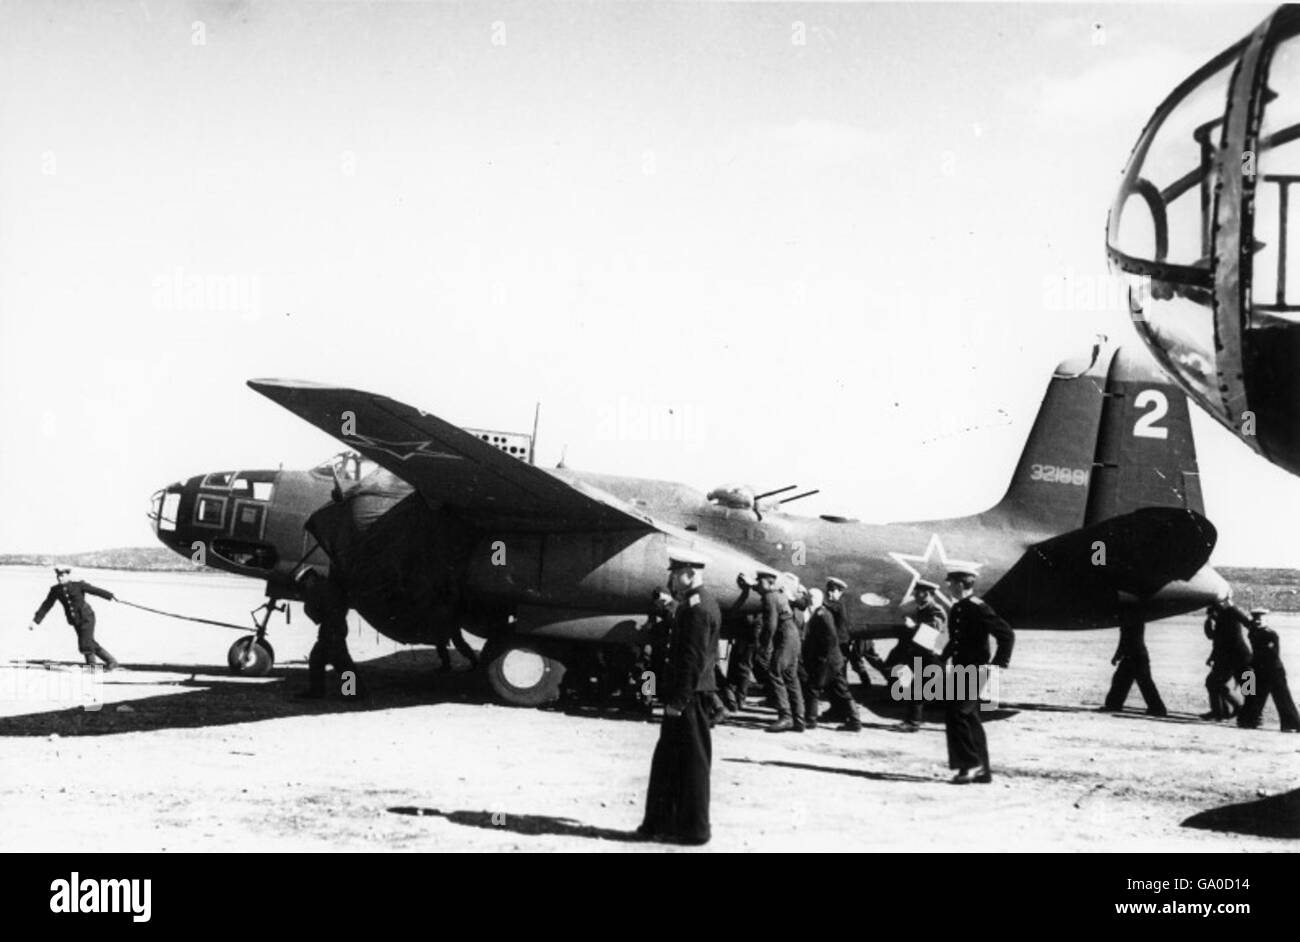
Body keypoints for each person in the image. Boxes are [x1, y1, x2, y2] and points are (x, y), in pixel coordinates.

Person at [638, 551, 722, 845]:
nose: (670, 578)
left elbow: (692, 659)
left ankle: (695, 830)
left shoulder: (698, 608)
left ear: (689, 573)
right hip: (688, 694)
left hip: (690, 696)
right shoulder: (694, 603)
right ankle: (663, 823)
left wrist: (678, 700)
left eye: (675, 573)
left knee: (692, 764)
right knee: (671, 761)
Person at [941, 569, 1014, 784]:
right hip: (960, 669)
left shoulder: (978, 607)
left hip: (975, 669)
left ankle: (969, 765)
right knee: (969, 718)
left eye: (951, 583)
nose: (948, 587)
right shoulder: (957, 608)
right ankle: (983, 770)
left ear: (961, 584)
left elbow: (1006, 634)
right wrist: (942, 657)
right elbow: (954, 640)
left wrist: (998, 664)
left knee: (957, 715)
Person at [29, 566, 121, 669]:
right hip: (75, 620)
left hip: (87, 617)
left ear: (68, 575)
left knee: (85, 643)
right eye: (58, 575)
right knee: (89, 641)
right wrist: (36, 621)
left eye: (62, 575)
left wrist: (110, 596)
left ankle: (92, 667)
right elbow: (46, 605)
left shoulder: (78, 585)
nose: (59, 578)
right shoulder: (55, 590)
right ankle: (112, 662)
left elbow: (95, 590)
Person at [886, 580, 947, 731]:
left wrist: (913, 626)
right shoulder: (922, 609)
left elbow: (933, 632)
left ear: (926, 594)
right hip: (924, 655)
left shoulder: (935, 610)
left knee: (918, 689)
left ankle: (912, 723)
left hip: (932, 657)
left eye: (917, 592)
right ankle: (913, 721)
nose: (914, 594)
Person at [750, 569, 805, 732]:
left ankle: (785, 716)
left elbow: (771, 625)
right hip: (793, 634)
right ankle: (799, 718)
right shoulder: (778, 593)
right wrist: (751, 585)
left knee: (774, 671)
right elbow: (762, 589)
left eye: (760, 581)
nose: (758, 583)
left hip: (784, 635)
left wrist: (764, 645)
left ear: (769, 583)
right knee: (790, 676)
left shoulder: (769, 597)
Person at [294, 566, 360, 699]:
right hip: (336, 626)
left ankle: (351, 693)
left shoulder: (318, 590)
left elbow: (315, 615)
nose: (305, 585)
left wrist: (306, 598)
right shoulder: (327, 586)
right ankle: (348, 692)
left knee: (338, 661)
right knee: (324, 660)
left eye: (305, 582)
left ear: (311, 578)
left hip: (331, 629)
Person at [800, 587, 861, 731]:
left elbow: (831, 638)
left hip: (827, 660)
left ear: (818, 600)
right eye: (809, 597)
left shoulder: (821, 614)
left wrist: (822, 659)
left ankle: (810, 720)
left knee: (813, 688)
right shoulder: (819, 613)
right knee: (841, 690)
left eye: (812, 598)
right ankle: (855, 721)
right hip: (833, 660)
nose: (809, 600)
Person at [1237, 609, 1300, 732]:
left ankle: (1292, 724)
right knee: (1255, 695)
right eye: (1255, 619)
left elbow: (1271, 655)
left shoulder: (1270, 634)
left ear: (1266, 621)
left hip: (1273, 670)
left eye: (1260, 619)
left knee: (1282, 698)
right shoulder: (1253, 633)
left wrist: (1255, 666)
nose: (1257, 621)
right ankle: (1249, 721)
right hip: (1260, 669)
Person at [1101, 617, 1167, 716]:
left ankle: (1157, 708)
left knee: (1132, 681)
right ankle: (1114, 704)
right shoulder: (1135, 617)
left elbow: (1124, 640)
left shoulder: (1128, 618)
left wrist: (1117, 656)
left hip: (1134, 656)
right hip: (1137, 655)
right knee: (1136, 682)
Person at [1202, 599, 1252, 720]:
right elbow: (1214, 639)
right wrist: (1208, 622)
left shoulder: (1230, 613)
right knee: (1213, 683)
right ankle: (1221, 711)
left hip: (1240, 657)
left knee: (1248, 688)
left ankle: (1252, 715)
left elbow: (1245, 621)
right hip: (1230, 659)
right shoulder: (1221, 620)